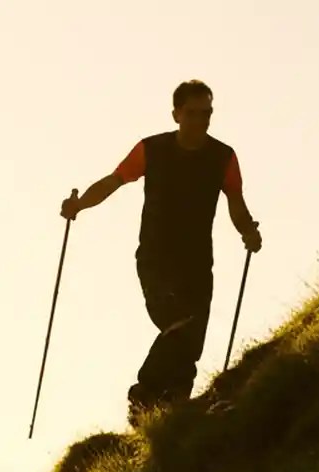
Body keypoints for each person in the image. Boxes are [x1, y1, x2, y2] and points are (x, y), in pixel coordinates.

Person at [60, 79, 262, 426]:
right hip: (156, 258)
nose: (200, 120)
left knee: (191, 343)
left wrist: (248, 231)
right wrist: (79, 205)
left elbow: (236, 202)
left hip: (198, 262)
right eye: (192, 113)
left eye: (206, 113)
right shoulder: (151, 149)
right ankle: (145, 393)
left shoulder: (223, 157)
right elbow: (113, 181)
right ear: (176, 114)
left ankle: (172, 414)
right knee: (180, 322)